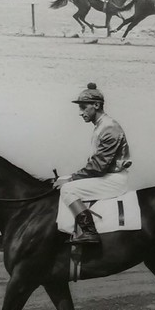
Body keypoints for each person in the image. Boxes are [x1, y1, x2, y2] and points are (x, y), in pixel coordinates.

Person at [53, 83, 132, 245]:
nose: (80, 113)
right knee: (64, 179)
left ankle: (90, 232)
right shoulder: (101, 125)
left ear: (96, 105)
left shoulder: (110, 129)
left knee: (68, 189)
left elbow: (98, 167)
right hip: (107, 175)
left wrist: (71, 179)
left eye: (83, 108)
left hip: (113, 180)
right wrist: (69, 177)